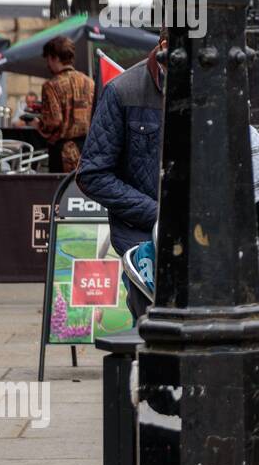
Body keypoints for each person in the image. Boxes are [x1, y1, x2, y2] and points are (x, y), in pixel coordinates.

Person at [78, 31, 166, 317]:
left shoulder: (213, 90)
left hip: (200, 235)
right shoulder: (122, 90)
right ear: (165, 46)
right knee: (149, 327)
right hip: (140, 236)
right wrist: (156, 213)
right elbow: (92, 174)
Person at [34, 36, 95, 173]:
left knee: (61, 192)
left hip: (63, 154)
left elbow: (54, 121)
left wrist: (37, 124)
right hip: (87, 151)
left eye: (48, 59)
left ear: (55, 57)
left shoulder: (51, 85)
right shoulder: (90, 82)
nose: (47, 64)